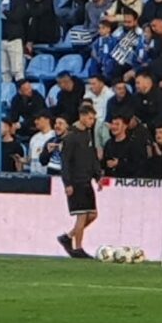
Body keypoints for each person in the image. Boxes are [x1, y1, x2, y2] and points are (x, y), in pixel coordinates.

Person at [57, 103, 101, 259]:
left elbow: (92, 156)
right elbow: (65, 162)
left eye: (93, 119)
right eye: (89, 118)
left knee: (93, 214)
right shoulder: (71, 137)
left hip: (86, 180)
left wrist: (98, 176)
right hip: (76, 181)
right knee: (81, 215)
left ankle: (68, 237)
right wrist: (67, 183)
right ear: (82, 117)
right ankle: (78, 248)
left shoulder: (88, 134)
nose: (92, 121)